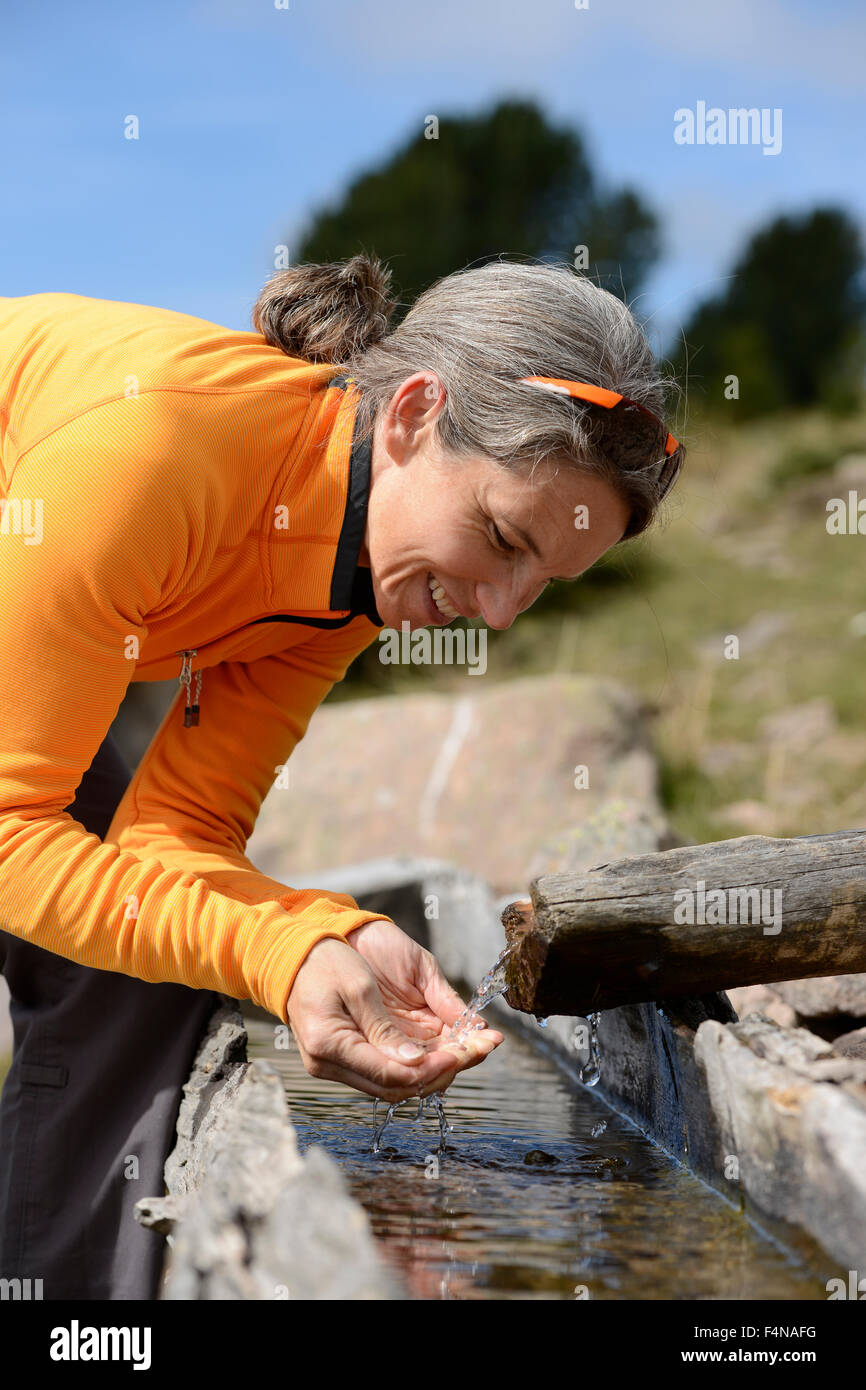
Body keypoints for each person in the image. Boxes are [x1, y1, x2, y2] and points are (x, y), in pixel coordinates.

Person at [0, 253, 684, 1299]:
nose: (498, 611)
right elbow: (10, 841)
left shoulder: (351, 573)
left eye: (539, 581)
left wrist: (331, 932)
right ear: (412, 413)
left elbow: (170, 842)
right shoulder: (152, 454)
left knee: (138, 969)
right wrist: (277, 943)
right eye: (501, 538)